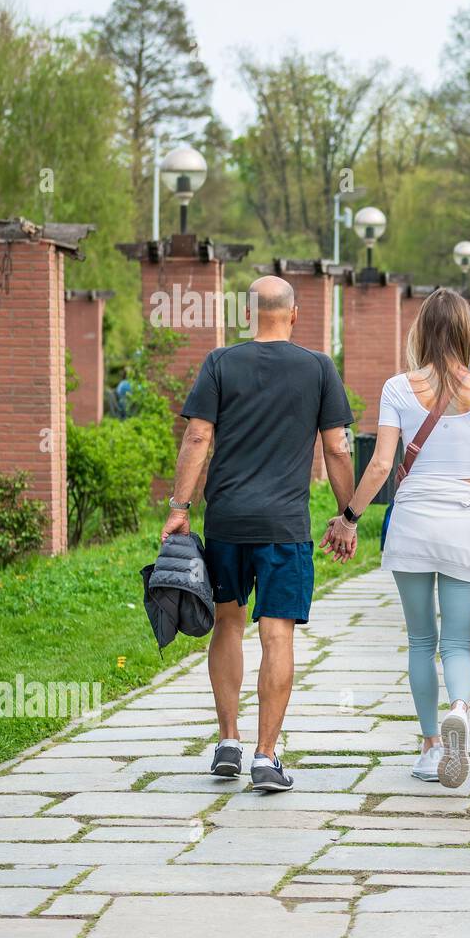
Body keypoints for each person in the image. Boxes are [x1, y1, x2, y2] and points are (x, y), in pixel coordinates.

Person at [163, 276, 354, 792]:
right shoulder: (317, 368)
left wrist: (180, 507)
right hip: (284, 528)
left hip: (226, 521)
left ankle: (228, 741)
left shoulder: (221, 363)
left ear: (250, 313)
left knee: (228, 622)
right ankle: (266, 757)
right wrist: (347, 515)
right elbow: (337, 448)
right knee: (277, 633)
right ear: (294, 314)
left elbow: (199, 435)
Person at [333, 289, 470, 788]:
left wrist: (350, 517)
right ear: (467, 330)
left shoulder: (398, 387)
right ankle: (459, 708)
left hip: (413, 520)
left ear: (420, 330)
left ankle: (429, 745)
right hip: (464, 519)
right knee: (457, 642)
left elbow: (380, 464)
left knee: (421, 640)